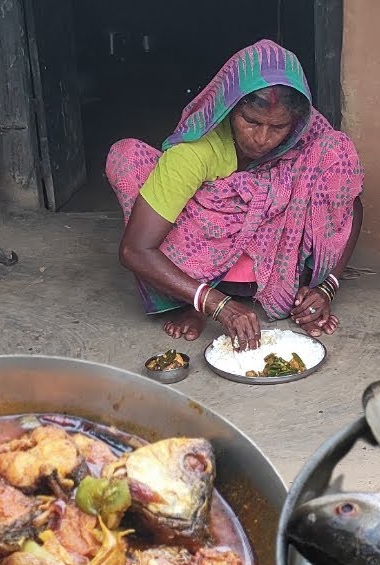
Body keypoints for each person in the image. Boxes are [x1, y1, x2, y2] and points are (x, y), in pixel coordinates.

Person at [107, 40, 364, 350]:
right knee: (128, 157)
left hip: (279, 272)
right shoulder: (195, 152)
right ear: (230, 108)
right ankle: (194, 300)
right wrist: (215, 304)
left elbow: (350, 204)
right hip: (198, 271)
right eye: (251, 122)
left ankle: (301, 294)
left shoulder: (310, 137)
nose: (262, 138)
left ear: (295, 122)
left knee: (336, 152)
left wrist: (327, 287)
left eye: (278, 126)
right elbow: (135, 250)